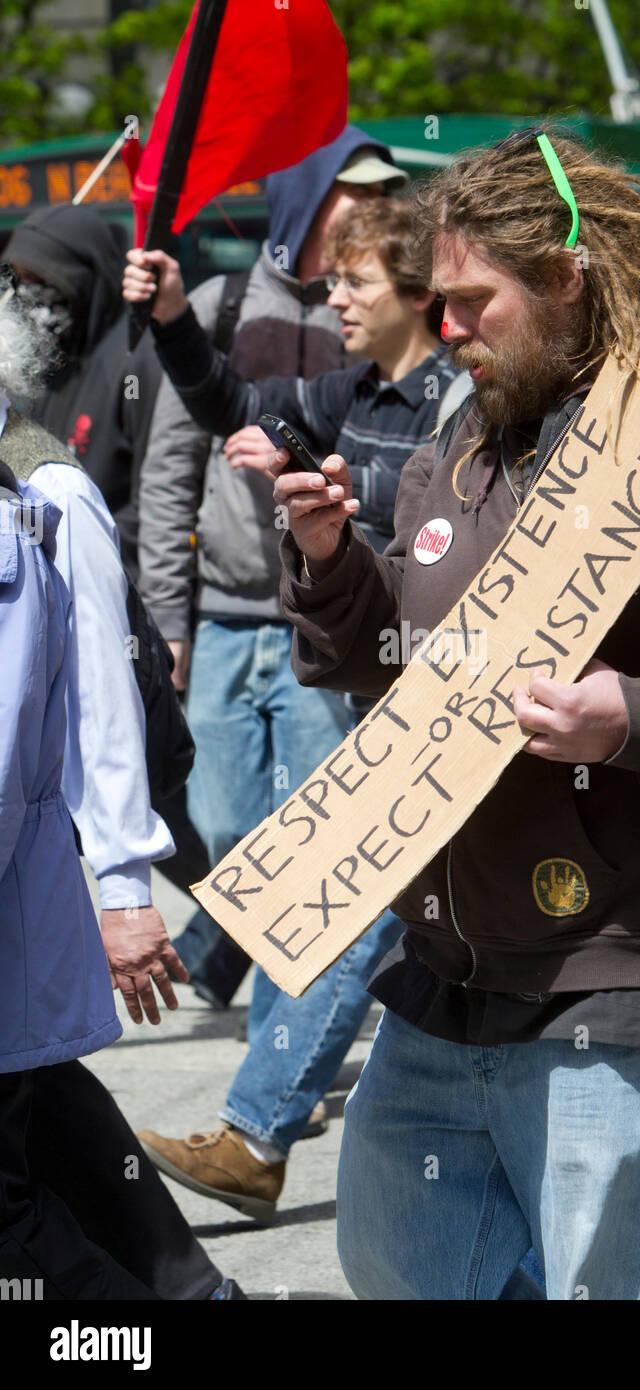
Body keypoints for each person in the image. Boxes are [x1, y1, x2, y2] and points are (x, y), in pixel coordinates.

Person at [272, 127, 640, 1300]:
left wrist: (635, 718)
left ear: (565, 275)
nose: (444, 330)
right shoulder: (468, 432)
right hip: (450, 971)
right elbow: (419, 654)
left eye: (470, 302)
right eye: (434, 302)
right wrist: (334, 563)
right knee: (400, 1264)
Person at [122, 196, 456, 1221]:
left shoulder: (459, 398)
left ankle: (258, 1133)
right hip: (376, 706)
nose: (334, 296)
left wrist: (334, 477)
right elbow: (233, 402)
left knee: (345, 909)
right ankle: (272, 1132)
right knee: (353, 909)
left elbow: (453, 513)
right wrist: (175, 317)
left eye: (354, 281)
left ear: (415, 294)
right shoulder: (348, 385)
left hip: (444, 711)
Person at [0, 287, 243, 1299]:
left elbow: (97, 698)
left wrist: (124, 883)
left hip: (33, 883)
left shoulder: (44, 495)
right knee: (47, 1123)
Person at [135, 126, 406, 1009]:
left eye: (381, 200)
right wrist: (168, 619)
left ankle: (293, 1022)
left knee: (314, 829)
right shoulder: (219, 304)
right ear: (307, 199)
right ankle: (237, 959)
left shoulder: (384, 322)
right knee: (219, 823)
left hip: (322, 624)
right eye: (352, 194)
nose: (371, 213)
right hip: (223, 617)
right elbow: (178, 462)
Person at [2, 204, 162, 573]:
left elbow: (156, 499)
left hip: (113, 579)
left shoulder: (137, 358)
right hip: (47, 573)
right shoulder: (47, 359)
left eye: (40, 277)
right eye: (19, 278)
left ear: (86, 278)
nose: (27, 293)